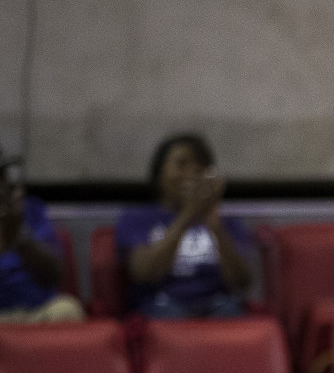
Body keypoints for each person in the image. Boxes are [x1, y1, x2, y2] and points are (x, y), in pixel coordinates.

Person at [117, 133, 255, 318]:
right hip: (162, 304)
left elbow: (242, 282)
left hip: (217, 304)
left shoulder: (226, 221)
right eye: (181, 165)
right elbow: (145, 273)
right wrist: (187, 215)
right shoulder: (138, 218)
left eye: (200, 167)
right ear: (160, 173)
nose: (191, 174)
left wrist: (215, 226)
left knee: (230, 314)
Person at [0, 148, 83, 323]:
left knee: (68, 308)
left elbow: (54, 274)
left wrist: (17, 230)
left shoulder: (30, 210)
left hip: (38, 314)